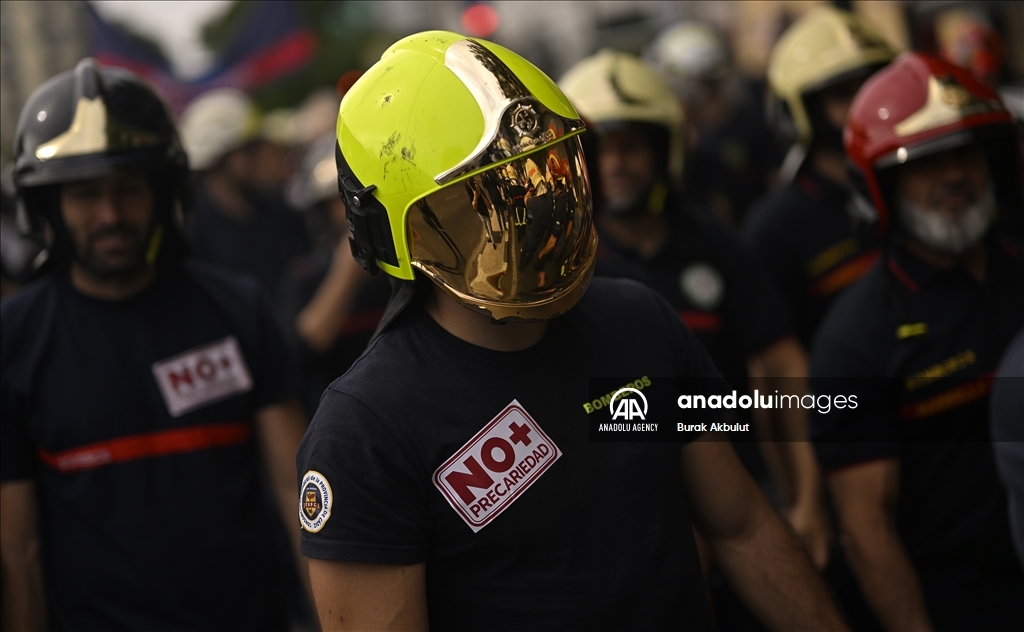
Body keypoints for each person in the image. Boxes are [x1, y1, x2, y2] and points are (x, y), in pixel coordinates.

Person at [297, 30, 847, 631]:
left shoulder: (640, 319)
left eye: (543, 172)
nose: (531, 211)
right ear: (396, 232)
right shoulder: (364, 431)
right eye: (479, 199)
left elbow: (742, 525)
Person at [0, 59, 309, 630]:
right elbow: (18, 551)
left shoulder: (237, 311)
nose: (111, 215)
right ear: (48, 207)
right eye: (85, 195)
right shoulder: (12, 342)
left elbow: (298, 493)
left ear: (163, 192)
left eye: (129, 190)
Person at [811, 52, 1024, 630]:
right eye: (926, 163)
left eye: (965, 154)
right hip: (966, 602)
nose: (954, 176)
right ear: (881, 185)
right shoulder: (855, 342)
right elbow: (867, 528)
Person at [743, 6, 896, 350]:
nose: (865, 103)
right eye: (842, 94)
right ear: (801, 112)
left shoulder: (913, 185)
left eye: (873, 84)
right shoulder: (774, 228)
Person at [280, 133, 391, 418]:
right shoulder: (305, 276)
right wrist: (346, 273)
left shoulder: (402, 258)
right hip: (351, 414)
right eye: (338, 200)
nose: (352, 209)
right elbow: (303, 349)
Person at [645, 21, 782, 227]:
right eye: (704, 87)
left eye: (713, 86)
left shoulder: (744, 132)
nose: (711, 100)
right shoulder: (668, 150)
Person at [179, 88, 309, 300]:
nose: (263, 156)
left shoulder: (279, 211)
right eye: (251, 149)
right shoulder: (192, 233)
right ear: (220, 158)